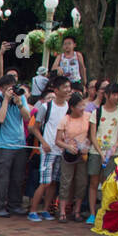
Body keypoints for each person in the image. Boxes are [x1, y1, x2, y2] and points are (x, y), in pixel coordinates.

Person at [27, 75, 71, 221]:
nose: (68, 90)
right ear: (56, 90)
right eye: (64, 87)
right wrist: (43, 142)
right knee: (45, 181)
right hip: (48, 149)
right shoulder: (46, 107)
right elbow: (34, 127)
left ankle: (45, 209)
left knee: (53, 182)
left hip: (61, 149)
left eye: (68, 87)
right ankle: (33, 210)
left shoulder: (68, 107)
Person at [85, 82, 118, 224]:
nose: (116, 97)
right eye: (113, 94)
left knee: (108, 183)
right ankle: (92, 213)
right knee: (93, 181)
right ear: (107, 95)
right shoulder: (97, 112)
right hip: (96, 152)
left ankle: (104, 211)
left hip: (113, 153)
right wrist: (100, 152)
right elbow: (92, 134)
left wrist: (115, 146)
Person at [0, 73, 30, 217]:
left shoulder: (21, 98)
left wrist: (19, 103)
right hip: (5, 145)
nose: (11, 91)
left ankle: (15, 205)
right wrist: (6, 100)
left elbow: (27, 117)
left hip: (20, 144)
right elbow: (0, 119)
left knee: (18, 178)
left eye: (13, 87)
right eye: (8, 88)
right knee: (2, 178)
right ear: (1, 89)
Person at [54, 92, 90, 222]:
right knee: (66, 181)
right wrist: (68, 146)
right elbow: (57, 140)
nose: (82, 108)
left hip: (83, 154)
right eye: (80, 106)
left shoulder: (88, 117)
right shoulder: (65, 119)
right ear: (72, 107)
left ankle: (77, 210)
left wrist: (88, 145)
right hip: (69, 155)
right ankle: (62, 211)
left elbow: (92, 134)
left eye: (83, 105)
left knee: (82, 182)